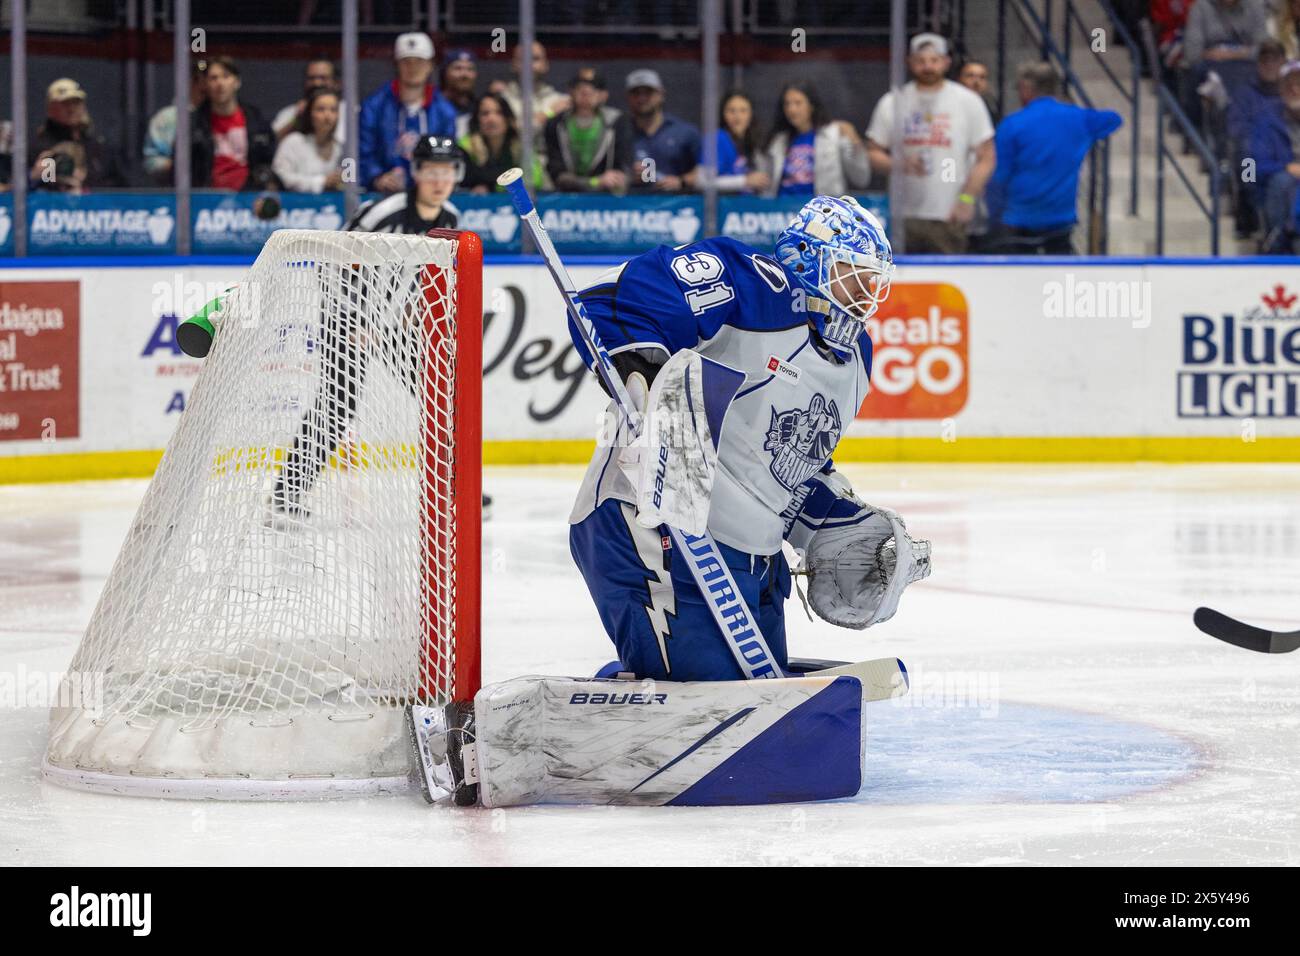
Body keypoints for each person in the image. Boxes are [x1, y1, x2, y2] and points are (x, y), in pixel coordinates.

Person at [566, 194, 929, 682]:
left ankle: (627, 689)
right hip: (654, 525)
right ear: (808, 258)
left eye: (874, 282)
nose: (866, 294)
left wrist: (836, 518)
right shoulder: (753, 283)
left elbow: (789, 467)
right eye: (853, 273)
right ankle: (607, 724)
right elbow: (608, 302)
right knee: (704, 704)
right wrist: (644, 375)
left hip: (754, 560)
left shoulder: (857, 362)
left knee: (753, 703)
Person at [273, 136, 496, 521]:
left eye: (447, 172)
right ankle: (288, 493)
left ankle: (460, 488)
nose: (439, 181)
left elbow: (433, 277)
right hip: (347, 320)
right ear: (416, 173)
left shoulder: (451, 220)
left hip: (395, 325)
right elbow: (333, 261)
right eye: (431, 171)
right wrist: (356, 321)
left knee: (445, 398)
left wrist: (414, 312)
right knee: (337, 406)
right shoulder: (382, 213)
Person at [865, 33, 995, 253]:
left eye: (934, 60)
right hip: (901, 215)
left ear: (946, 62)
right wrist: (900, 164)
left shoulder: (967, 101)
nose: (927, 66)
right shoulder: (893, 102)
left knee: (948, 282)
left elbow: (987, 157)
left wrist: (966, 199)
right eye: (920, 60)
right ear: (910, 62)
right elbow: (872, 152)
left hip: (948, 214)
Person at [986, 62, 1121, 254]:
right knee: (1059, 273)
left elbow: (1000, 174)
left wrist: (994, 215)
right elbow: (1114, 118)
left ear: (1026, 89)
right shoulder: (1079, 119)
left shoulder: (1012, 125)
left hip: (1020, 217)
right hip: (1061, 216)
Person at [358, 32, 457, 193]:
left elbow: (447, 156)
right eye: (406, 62)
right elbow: (362, 151)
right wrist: (376, 177)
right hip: (381, 194)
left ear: (430, 65)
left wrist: (429, 179)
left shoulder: (444, 111)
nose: (413, 68)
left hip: (428, 194)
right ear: (397, 65)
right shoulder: (374, 106)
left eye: (419, 62)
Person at [760, 81, 869, 198]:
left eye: (798, 103)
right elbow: (766, 183)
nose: (791, 109)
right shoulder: (778, 140)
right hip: (783, 210)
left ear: (811, 106)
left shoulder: (832, 134)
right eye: (787, 104)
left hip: (822, 210)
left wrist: (855, 143)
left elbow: (861, 178)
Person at [191, 56, 277, 191]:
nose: (220, 83)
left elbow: (268, 161)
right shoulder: (193, 123)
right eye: (213, 78)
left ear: (237, 82)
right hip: (206, 199)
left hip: (248, 197)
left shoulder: (256, 119)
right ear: (206, 84)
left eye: (226, 76)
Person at [543, 69, 632, 193]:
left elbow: (624, 166)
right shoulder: (557, 124)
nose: (586, 91)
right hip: (566, 197)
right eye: (579, 87)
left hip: (607, 196)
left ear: (604, 95)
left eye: (593, 88)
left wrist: (618, 179)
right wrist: (593, 182)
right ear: (570, 92)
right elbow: (557, 172)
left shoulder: (617, 122)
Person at [29, 78, 126, 192]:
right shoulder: (39, 147)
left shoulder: (98, 148)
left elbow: (121, 188)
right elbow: (36, 188)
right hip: (51, 207)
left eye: (76, 102)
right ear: (50, 109)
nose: (72, 109)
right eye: (64, 104)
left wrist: (86, 184)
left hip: (94, 207)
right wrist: (35, 177)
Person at [624, 68, 700, 191]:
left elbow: (706, 171)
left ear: (661, 95)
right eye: (636, 93)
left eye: (648, 92)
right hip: (628, 207)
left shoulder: (685, 133)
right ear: (628, 97)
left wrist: (681, 181)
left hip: (677, 205)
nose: (642, 98)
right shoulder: (619, 133)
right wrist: (627, 176)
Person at [1252, 60, 1300, 253]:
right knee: (1284, 181)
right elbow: (1251, 168)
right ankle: (1282, 237)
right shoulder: (1263, 122)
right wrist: (1287, 168)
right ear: (1281, 90)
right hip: (1281, 190)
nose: (1296, 89)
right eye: (1290, 84)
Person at [458, 93, 548, 193]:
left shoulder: (521, 145)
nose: (491, 119)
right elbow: (462, 182)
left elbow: (534, 181)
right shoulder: (465, 146)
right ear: (476, 120)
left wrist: (493, 187)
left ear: (508, 118)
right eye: (485, 113)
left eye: (499, 113)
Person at [143, 59, 206, 185]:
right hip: (177, 191)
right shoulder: (168, 118)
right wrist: (181, 165)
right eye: (197, 79)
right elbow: (151, 162)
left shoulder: (220, 117)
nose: (204, 84)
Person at [272, 87, 345, 193]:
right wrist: (322, 182)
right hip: (294, 206)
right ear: (309, 113)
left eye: (333, 110)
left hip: (332, 207)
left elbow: (350, 183)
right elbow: (282, 178)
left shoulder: (341, 148)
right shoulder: (293, 142)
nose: (327, 116)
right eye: (321, 109)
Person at [704, 89, 769, 193]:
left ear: (751, 114)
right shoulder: (717, 139)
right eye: (731, 111)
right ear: (723, 114)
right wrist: (744, 181)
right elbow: (704, 181)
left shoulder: (755, 141)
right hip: (725, 206)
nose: (737, 117)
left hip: (751, 206)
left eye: (743, 110)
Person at [272, 59, 346, 144]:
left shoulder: (351, 112)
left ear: (337, 83)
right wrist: (297, 118)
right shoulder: (291, 112)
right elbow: (273, 143)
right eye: (311, 78)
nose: (317, 83)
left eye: (323, 78)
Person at [440, 48, 478, 133]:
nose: (464, 74)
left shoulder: (478, 108)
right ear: (445, 73)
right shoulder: (434, 106)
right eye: (458, 68)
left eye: (470, 69)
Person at [958, 58, 1000, 124]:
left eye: (982, 77)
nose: (976, 82)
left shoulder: (990, 113)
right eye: (970, 76)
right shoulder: (950, 107)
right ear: (959, 79)